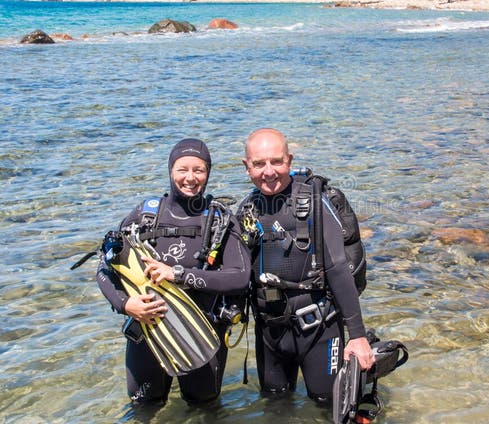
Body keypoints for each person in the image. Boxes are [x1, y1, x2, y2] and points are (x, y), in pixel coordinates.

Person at [97, 138, 251, 406]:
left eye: (198, 170)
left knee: (204, 412)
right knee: (143, 410)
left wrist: (178, 274)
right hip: (146, 331)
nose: (190, 178)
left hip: (201, 332)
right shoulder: (145, 216)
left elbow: (240, 277)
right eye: (182, 169)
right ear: (170, 170)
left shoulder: (219, 221)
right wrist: (126, 304)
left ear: (208, 173)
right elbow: (104, 267)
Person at [237, 128, 374, 404]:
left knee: (330, 405)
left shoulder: (315, 202)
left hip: (319, 330)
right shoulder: (246, 211)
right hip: (270, 333)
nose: (269, 171)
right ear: (246, 166)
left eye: (276, 161)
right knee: (274, 409)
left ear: (289, 160)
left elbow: (338, 268)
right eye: (259, 163)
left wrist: (357, 336)